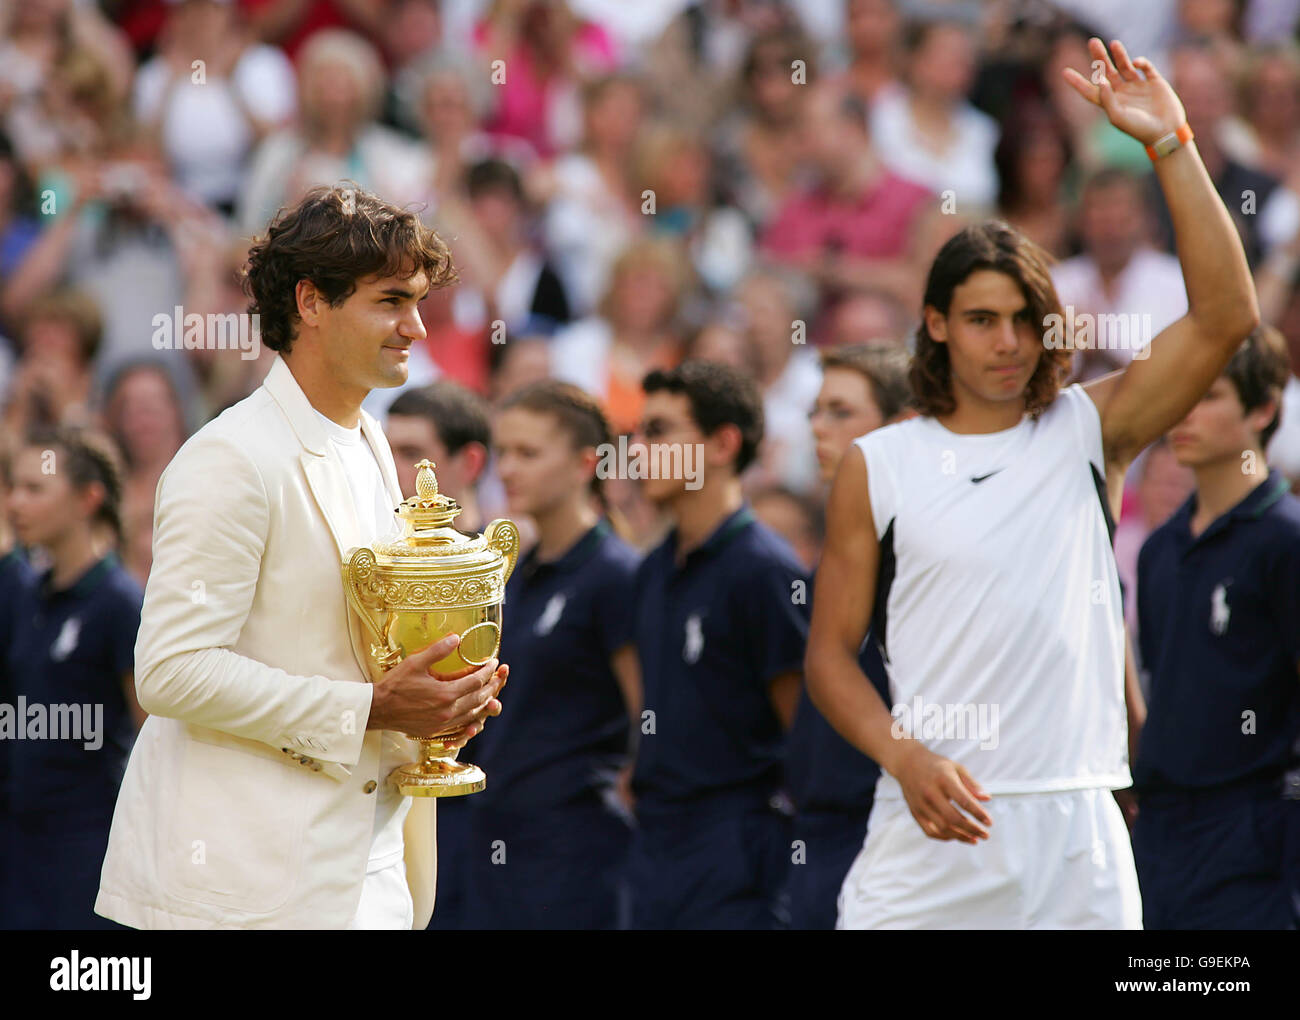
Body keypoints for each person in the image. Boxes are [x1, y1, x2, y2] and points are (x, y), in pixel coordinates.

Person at [806, 37, 1260, 929]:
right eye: (980, 319)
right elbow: (829, 656)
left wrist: (1171, 144)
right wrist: (906, 760)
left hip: (1076, 833)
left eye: (1024, 320)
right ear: (935, 324)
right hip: (927, 821)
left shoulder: (1095, 427)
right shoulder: (878, 463)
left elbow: (1227, 315)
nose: (1007, 342)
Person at [94, 185, 507, 930]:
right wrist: (373, 708)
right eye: (390, 301)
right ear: (311, 302)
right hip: (239, 891)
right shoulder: (229, 458)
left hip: (370, 878)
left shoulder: (375, 443)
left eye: (418, 301)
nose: (415, 325)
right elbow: (170, 670)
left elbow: (359, 650)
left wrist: (440, 697)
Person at [626, 360, 810, 929]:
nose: (636, 452)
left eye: (658, 432)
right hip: (655, 851)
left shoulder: (765, 570)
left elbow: (802, 732)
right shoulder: (652, 569)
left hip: (739, 856)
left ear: (723, 442)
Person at [1132, 324, 1300, 929]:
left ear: (1263, 408)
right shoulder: (1159, 551)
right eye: (1182, 392)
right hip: (1160, 841)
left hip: (1256, 841)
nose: (1185, 412)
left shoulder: (1286, 539)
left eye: (1210, 395)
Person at [462, 380, 640, 929]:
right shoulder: (517, 571)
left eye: (529, 453)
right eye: (503, 453)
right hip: (497, 844)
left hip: (576, 852)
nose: (508, 469)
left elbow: (648, 713)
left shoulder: (615, 574)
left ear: (587, 463)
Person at [786, 343, 911, 930]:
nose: (818, 428)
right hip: (818, 832)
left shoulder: (925, 558)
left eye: (841, 412)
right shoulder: (836, 552)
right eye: (815, 411)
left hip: (897, 829)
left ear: (904, 424)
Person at [3, 426, 144, 929]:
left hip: (87, 854)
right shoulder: (24, 596)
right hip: (19, 848)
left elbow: (153, 734)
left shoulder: (119, 604)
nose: (16, 502)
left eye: (35, 488)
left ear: (88, 498)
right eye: (12, 487)